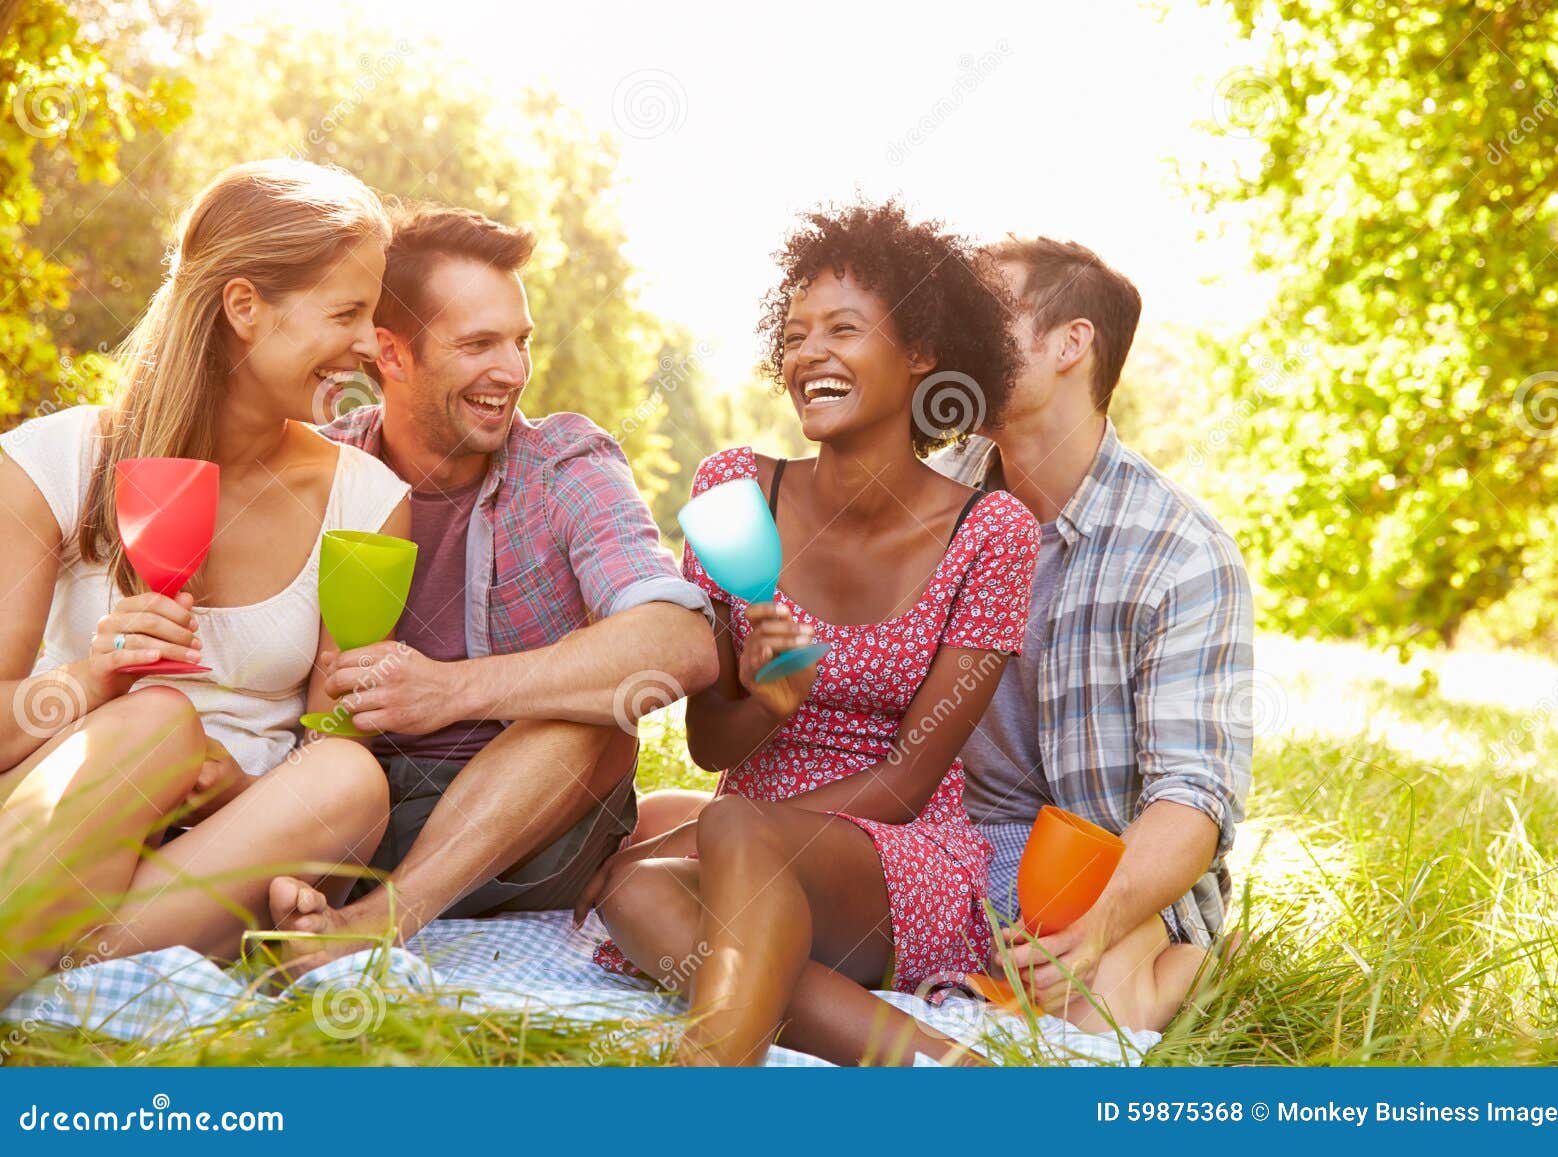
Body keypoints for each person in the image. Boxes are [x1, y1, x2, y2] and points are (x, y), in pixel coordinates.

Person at [578, 202, 1041, 1066]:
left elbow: (910, 777)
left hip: (898, 858)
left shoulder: (990, 531)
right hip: (747, 836)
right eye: (794, 335)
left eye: (842, 329)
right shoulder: (735, 495)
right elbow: (713, 744)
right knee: (634, 893)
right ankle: (943, 1067)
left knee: (716, 842)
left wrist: (714, 831)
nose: (808, 354)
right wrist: (764, 704)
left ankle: (708, 1070)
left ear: (921, 355)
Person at [266, 205, 718, 967]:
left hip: (535, 824)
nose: (511, 370)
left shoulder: (565, 464)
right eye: (478, 344)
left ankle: (386, 918)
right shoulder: (320, 463)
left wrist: (450, 691)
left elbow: (682, 641)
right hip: (352, 799)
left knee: (596, 708)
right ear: (392, 354)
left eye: (520, 341)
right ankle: (310, 897)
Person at [0, 159, 408, 1002]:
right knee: (155, 721)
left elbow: (336, 730)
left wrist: (244, 786)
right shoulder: (56, 461)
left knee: (350, 778)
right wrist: (92, 679)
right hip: (58, 809)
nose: (371, 345)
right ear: (245, 306)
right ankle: (67, 982)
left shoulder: (365, 499)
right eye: (348, 312)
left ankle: (51, 977)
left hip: (227, 843)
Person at [933, 236, 1253, 1032]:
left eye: (988, 318)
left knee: (1089, 1010)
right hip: (931, 837)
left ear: (1071, 343)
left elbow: (1192, 794)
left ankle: (1182, 961)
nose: (957, 340)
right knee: (684, 839)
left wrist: (1098, 926)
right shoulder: (931, 494)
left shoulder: (1181, 552)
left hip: (1094, 873)